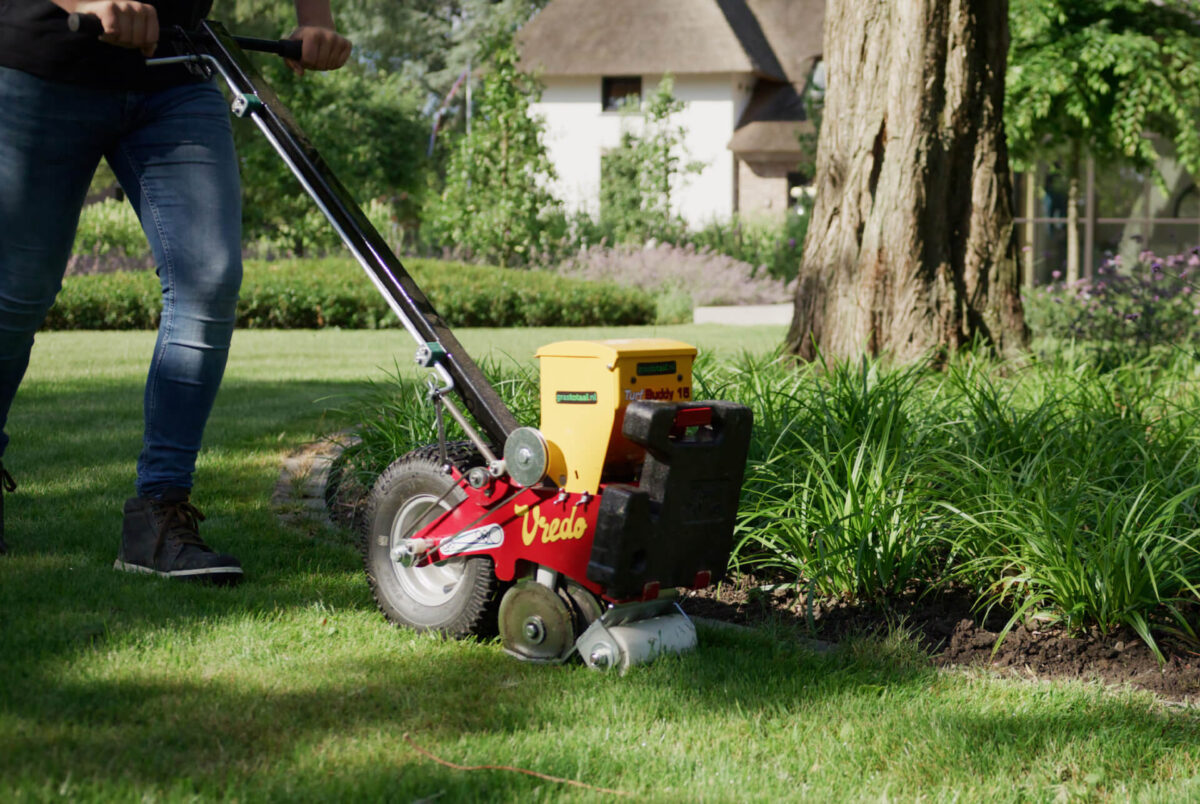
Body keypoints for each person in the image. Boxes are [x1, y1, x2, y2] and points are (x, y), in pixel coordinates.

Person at [0, 1, 351, 581]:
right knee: (17, 293)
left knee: (208, 279)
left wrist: (318, 20)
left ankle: (158, 516)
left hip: (176, 68)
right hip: (44, 63)